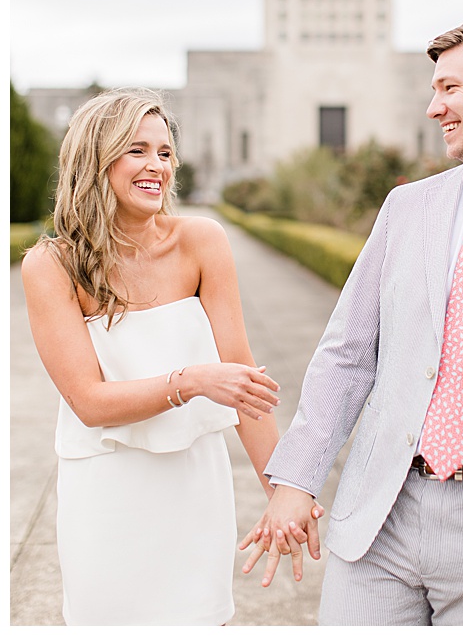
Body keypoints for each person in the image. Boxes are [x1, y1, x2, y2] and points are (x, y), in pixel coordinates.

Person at [240, 18, 463, 626]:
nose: (434, 108)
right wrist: (296, 481)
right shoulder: (407, 206)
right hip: (379, 518)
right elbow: (348, 354)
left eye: (450, 88)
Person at [22, 88, 290, 625]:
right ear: (96, 158)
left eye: (165, 152)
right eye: (137, 150)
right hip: (106, 491)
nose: (157, 166)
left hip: (194, 484)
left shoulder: (202, 241)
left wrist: (283, 494)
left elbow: (246, 384)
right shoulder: (51, 265)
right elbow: (90, 402)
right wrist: (191, 381)